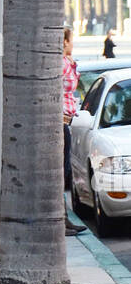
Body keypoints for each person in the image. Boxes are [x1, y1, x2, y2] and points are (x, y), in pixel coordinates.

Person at [62, 29, 85, 235]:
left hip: (67, 121)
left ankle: (64, 218)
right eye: (71, 40)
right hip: (59, 122)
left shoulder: (67, 61)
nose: (73, 44)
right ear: (64, 41)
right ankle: (61, 219)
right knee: (62, 172)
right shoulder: (60, 63)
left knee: (64, 172)